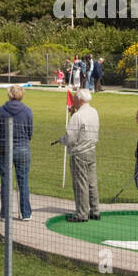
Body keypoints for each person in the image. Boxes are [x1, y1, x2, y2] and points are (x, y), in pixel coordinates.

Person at [55, 89, 100, 222]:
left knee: (81, 183)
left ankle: (82, 214)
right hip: (91, 149)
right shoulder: (94, 111)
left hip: (79, 152)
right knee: (92, 182)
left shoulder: (77, 116)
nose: (73, 100)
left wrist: (61, 140)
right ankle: (95, 210)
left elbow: (70, 138)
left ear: (80, 100)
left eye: (75, 98)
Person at [0, 85, 34, 221]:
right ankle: (26, 213)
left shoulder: (0, 110)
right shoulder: (27, 111)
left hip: (4, 147)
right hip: (22, 147)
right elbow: (30, 133)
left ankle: (5, 214)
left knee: (6, 181)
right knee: (23, 180)